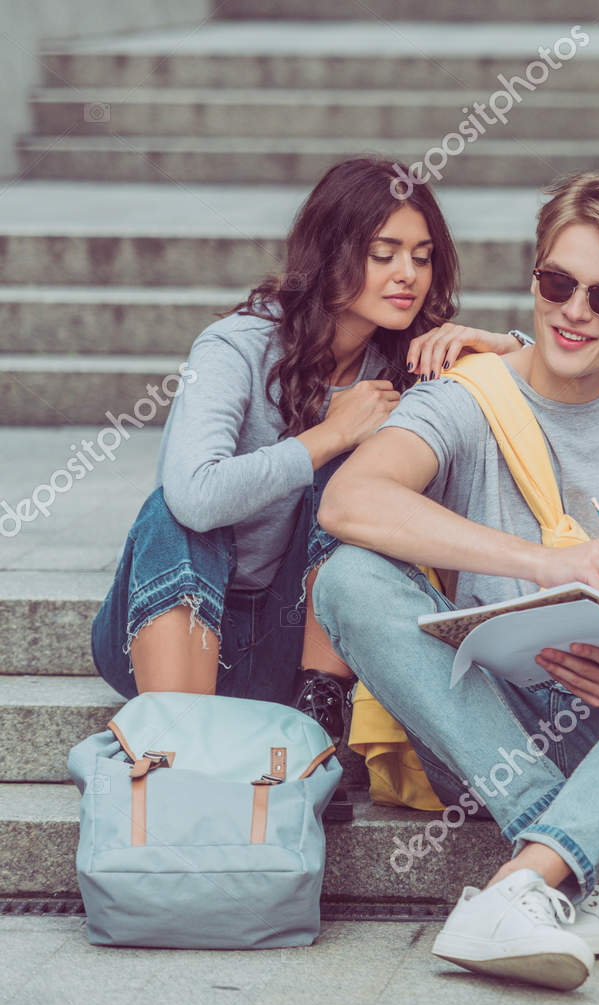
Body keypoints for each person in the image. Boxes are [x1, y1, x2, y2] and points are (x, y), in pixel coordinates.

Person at [312, 172, 599, 991]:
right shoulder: (468, 397)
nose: (573, 312)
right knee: (348, 579)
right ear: (534, 276)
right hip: (490, 730)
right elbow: (350, 499)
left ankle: (531, 873)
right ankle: (577, 863)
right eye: (557, 283)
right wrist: (543, 562)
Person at [90, 156, 461, 820]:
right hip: (185, 626)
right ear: (330, 253)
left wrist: (497, 340)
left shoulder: (408, 368)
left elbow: (533, 391)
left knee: (352, 491)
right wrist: (329, 433)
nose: (408, 274)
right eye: (384, 254)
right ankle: (179, 749)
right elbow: (195, 496)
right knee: (172, 512)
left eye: (422, 256)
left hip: (291, 654)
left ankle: (317, 723)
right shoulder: (234, 346)